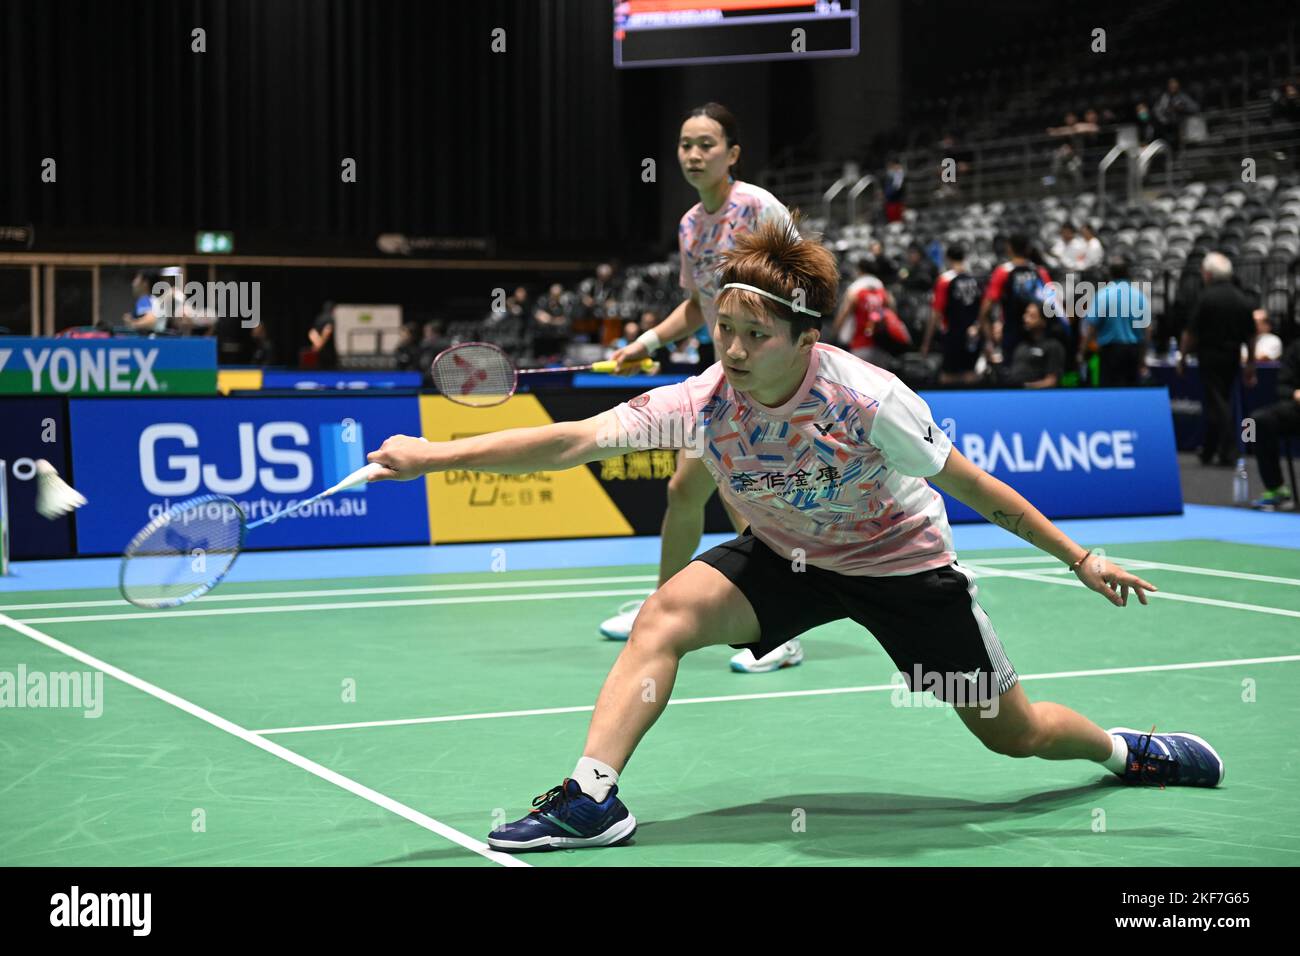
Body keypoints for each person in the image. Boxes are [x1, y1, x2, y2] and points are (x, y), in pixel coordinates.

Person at [363, 219, 1224, 853]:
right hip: (787, 559)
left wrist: (1078, 557)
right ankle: (595, 796)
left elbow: (974, 488)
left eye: (753, 335)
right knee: (664, 616)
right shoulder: (705, 398)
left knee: (1015, 733)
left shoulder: (868, 401)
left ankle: (1124, 751)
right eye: (723, 330)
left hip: (902, 569)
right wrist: (435, 454)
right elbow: (574, 439)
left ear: (806, 337)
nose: (731, 350)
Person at [604, 102, 799, 673]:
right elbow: (698, 306)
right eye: (686, 144)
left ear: (732, 154)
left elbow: (800, 289)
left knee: (743, 498)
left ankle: (778, 630)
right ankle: (662, 610)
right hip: (725, 381)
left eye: (707, 144)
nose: (693, 154)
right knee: (686, 492)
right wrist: (645, 343)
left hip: (767, 380)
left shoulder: (760, 208)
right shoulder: (692, 223)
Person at [1179, 253, 1257, 467]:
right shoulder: (1241, 298)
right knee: (1220, 400)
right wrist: (1250, 363)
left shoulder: (1206, 298)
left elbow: (1190, 332)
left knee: (1217, 402)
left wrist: (1182, 357)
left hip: (1210, 356)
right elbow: (1251, 335)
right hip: (1232, 357)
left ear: (1209, 274)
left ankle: (1229, 450)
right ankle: (1210, 450)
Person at [977, 233, 1055, 365]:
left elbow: (985, 308)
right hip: (1037, 334)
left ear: (1009, 248)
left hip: (1012, 332)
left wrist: (990, 339)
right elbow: (1052, 303)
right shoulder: (1040, 271)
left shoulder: (1002, 272)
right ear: (1028, 249)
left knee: (1013, 374)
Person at [1080, 257, 1149, 386]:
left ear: (1110, 274)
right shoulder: (1139, 295)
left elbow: (1091, 327)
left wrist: (1082, 352)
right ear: (1128, 273)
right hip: (1132, 352)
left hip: (1109, 353)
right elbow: (1147, 329)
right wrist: (1143, 356)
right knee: (1131, 393)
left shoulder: (1102, 295)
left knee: (1110, 393)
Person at [1250, 336, 1300, 510]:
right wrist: (1295, 394)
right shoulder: (1296, 348)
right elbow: (1282, 386)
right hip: (1298, 408)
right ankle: (1275, 488)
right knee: (1254, 422)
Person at [922, 244, 982, 385]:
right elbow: (982, 310)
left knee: (948, 375)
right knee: (970, 372)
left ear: (947, 258)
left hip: (953, 333)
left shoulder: (945, 280)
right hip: (973, 335)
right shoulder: (974, 280)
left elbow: (936, 312)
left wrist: (926, 342)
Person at [1003, 302, 1066, 388]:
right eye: (1026, 314)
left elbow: (1052, 381)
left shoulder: (1053, 346)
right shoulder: (1020, 345)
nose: (1025, 319)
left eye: (1032, 316)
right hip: (1012, 395)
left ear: (1043, 321)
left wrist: (1025, 386)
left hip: (1037, 397)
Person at [307, 301, 338, 370]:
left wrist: (316, 344)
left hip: (319, 353)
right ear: (333, 309)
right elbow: (327, 331)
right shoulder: (330, 318)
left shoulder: (319, 318)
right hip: (328, 352)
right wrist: (320, 344)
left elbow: (312, 332)